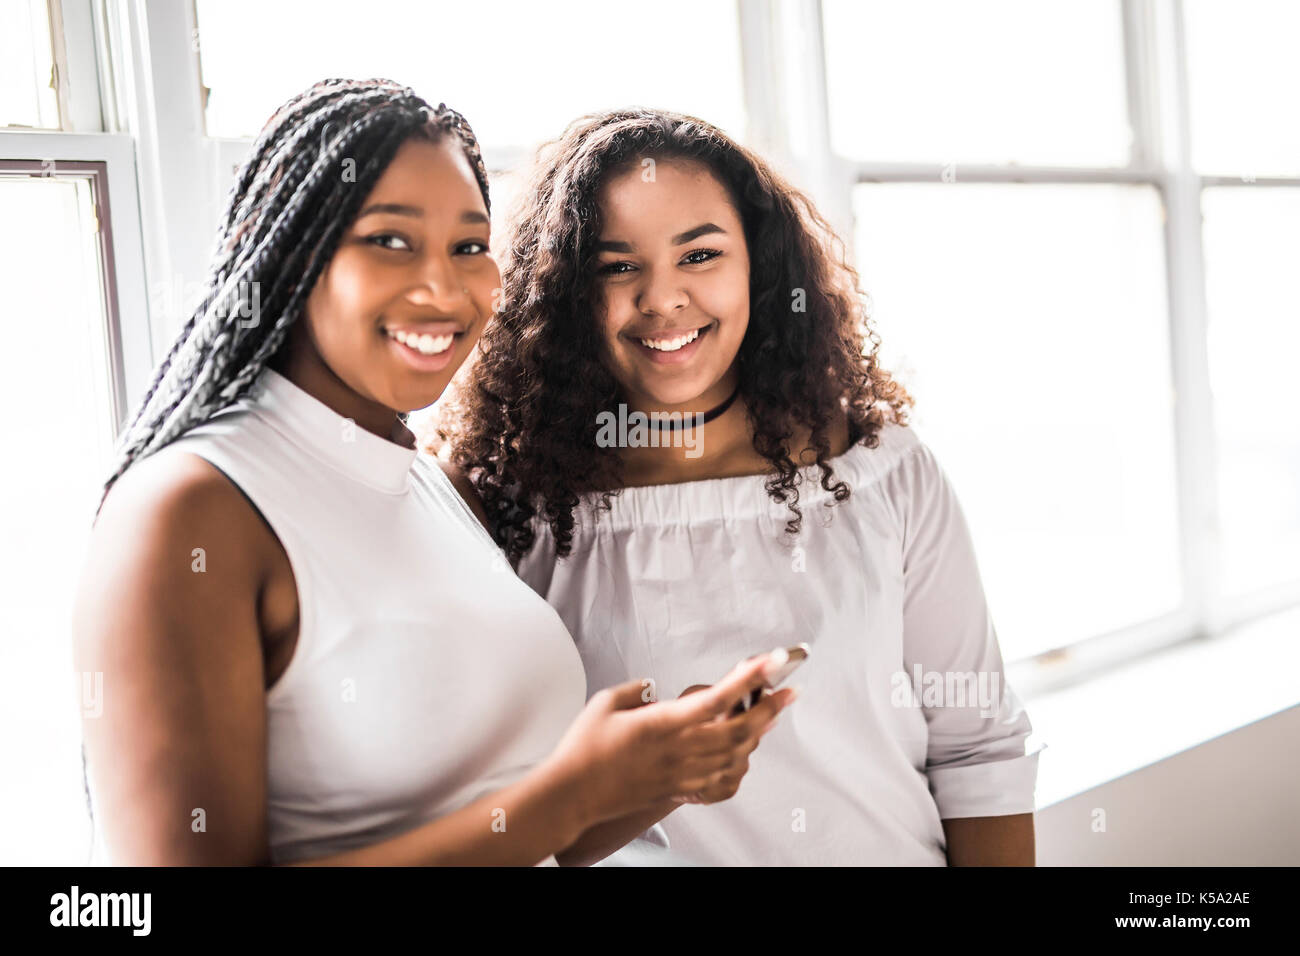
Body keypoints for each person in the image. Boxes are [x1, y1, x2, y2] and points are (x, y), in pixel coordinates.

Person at [72, 81, 793, 867]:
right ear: (286, 252)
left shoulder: (430, 488)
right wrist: (575, 792)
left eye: (469, 246)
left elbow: (526, 831)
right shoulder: (192, 511)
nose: (443, 289)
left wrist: (653, 773)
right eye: (390, 241)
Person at [442, 107, 1044, 865]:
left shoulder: (881, 470)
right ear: (563, 291)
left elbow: (978, 749)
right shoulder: (508, 506)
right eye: (616, 266)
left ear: (760, 264)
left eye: (699, 256)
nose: (661, 299)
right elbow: (493, 799)